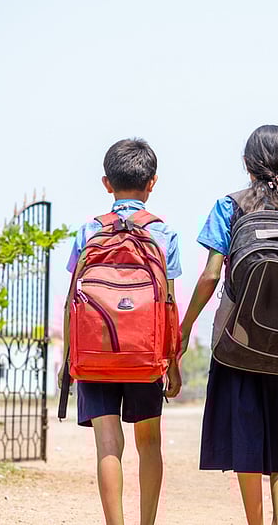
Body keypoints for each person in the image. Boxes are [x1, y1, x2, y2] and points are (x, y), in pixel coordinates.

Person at [179, 124, 278, 525]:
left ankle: (256, 522)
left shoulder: (229, 206)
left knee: (246, 438)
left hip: (237, 344)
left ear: (247, 164)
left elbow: (211, 276)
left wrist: (185, 327)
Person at [63, 138, 182, 525]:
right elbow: (168, 303)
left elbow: (71, 302)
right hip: (145, 355)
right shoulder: (163, 234)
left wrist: (69, 359)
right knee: (149, 444)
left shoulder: (88, 231)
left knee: (108, 445)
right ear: (153, 183)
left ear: (105, 182)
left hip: (95, 354)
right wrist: (173, 363)